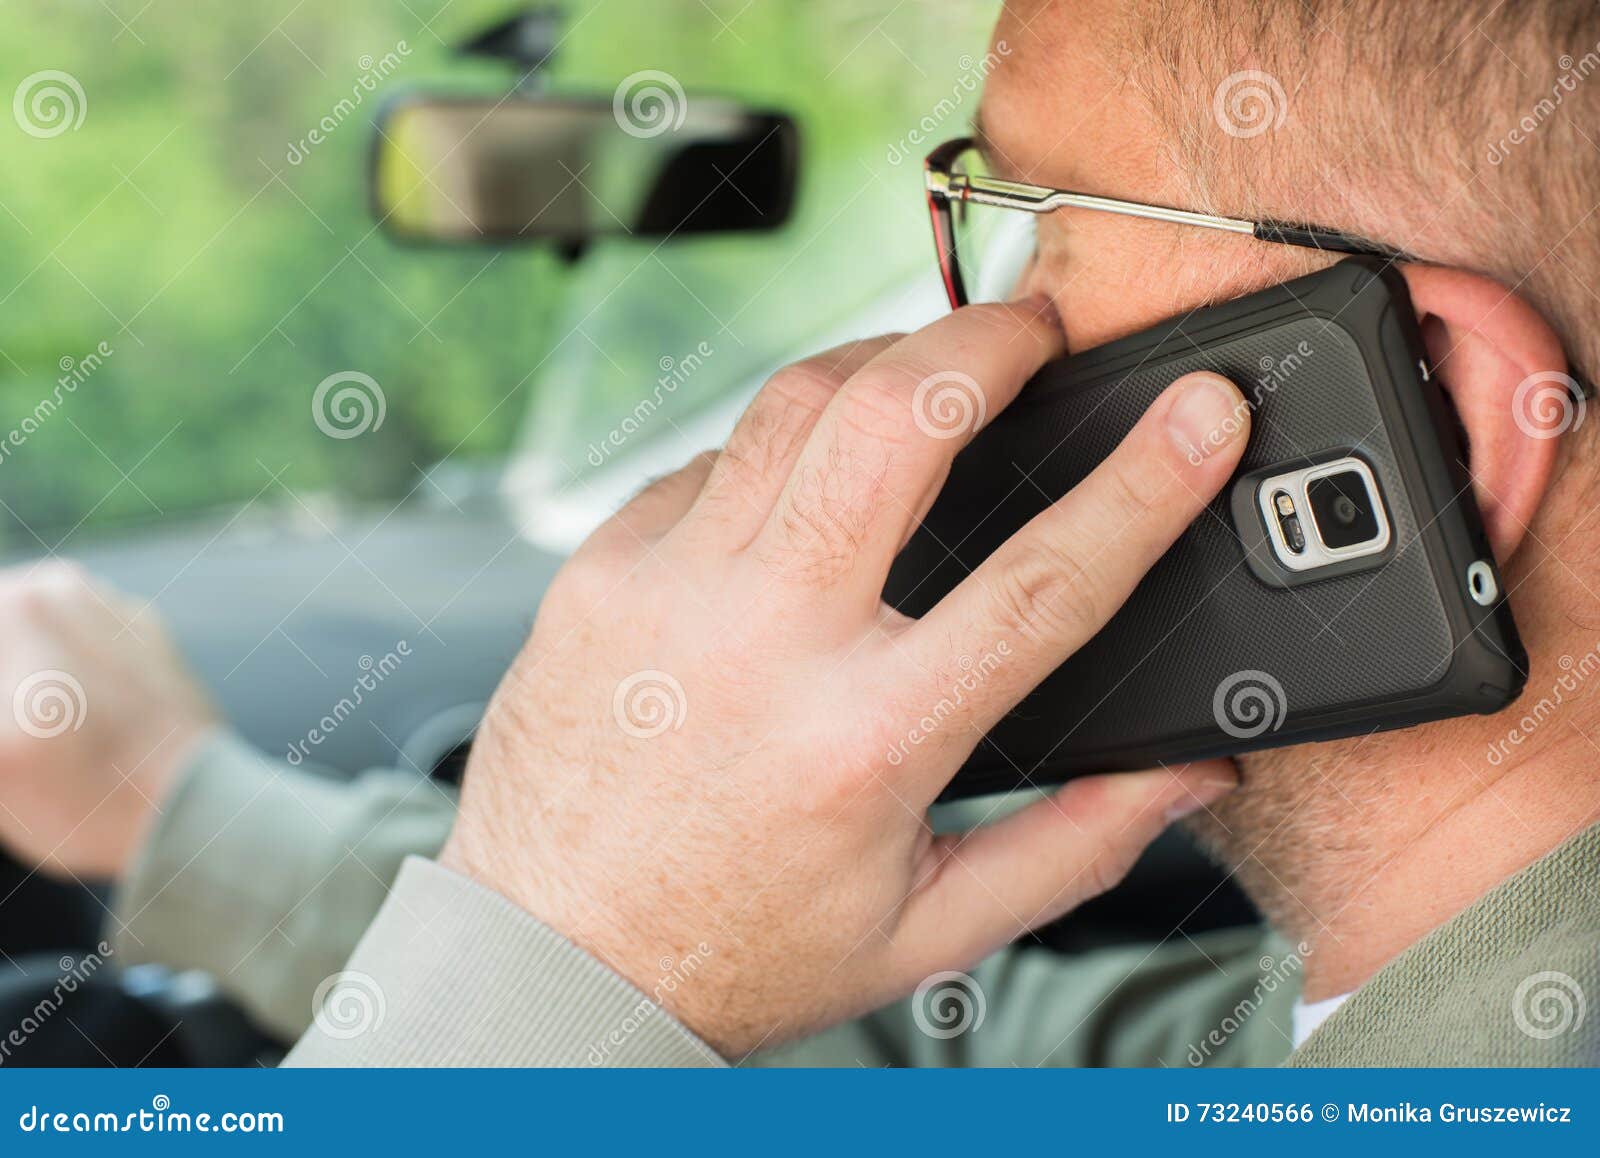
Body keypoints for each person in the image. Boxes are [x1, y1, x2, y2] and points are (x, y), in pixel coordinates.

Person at [3, 0, 1598, 1066]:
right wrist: (181, 811)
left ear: (1439, 419)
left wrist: (547, 967)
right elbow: (942, 1048)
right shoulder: (1376, 1003)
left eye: (1031, 224)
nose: (964, 327)